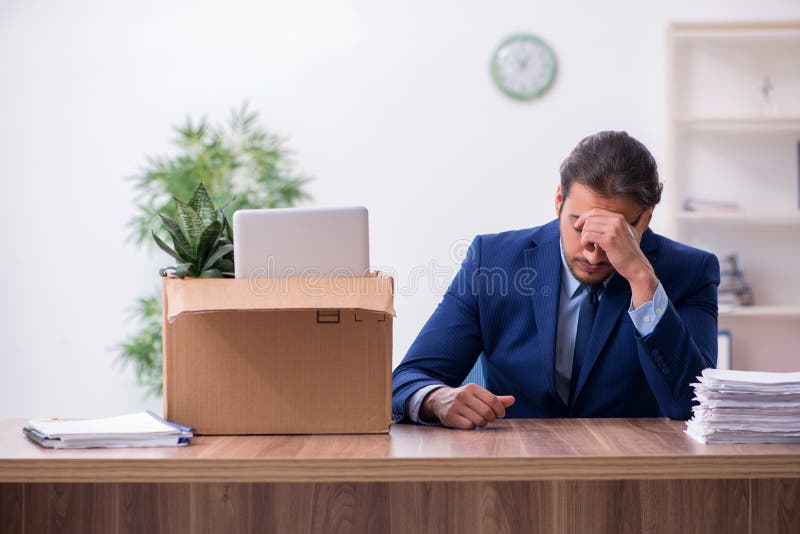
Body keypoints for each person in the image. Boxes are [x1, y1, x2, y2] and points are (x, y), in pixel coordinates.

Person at [391, 131, 720, 429]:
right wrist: (436, 398)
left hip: (631, 476)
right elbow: (406, 380)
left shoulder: (689, 271)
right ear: (559, 202)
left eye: (613, 232)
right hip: (517, 472)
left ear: (645, 218)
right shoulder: (492, 261)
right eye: (579, 225)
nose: (593, 254)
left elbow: (694, 407)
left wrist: (641, 278)